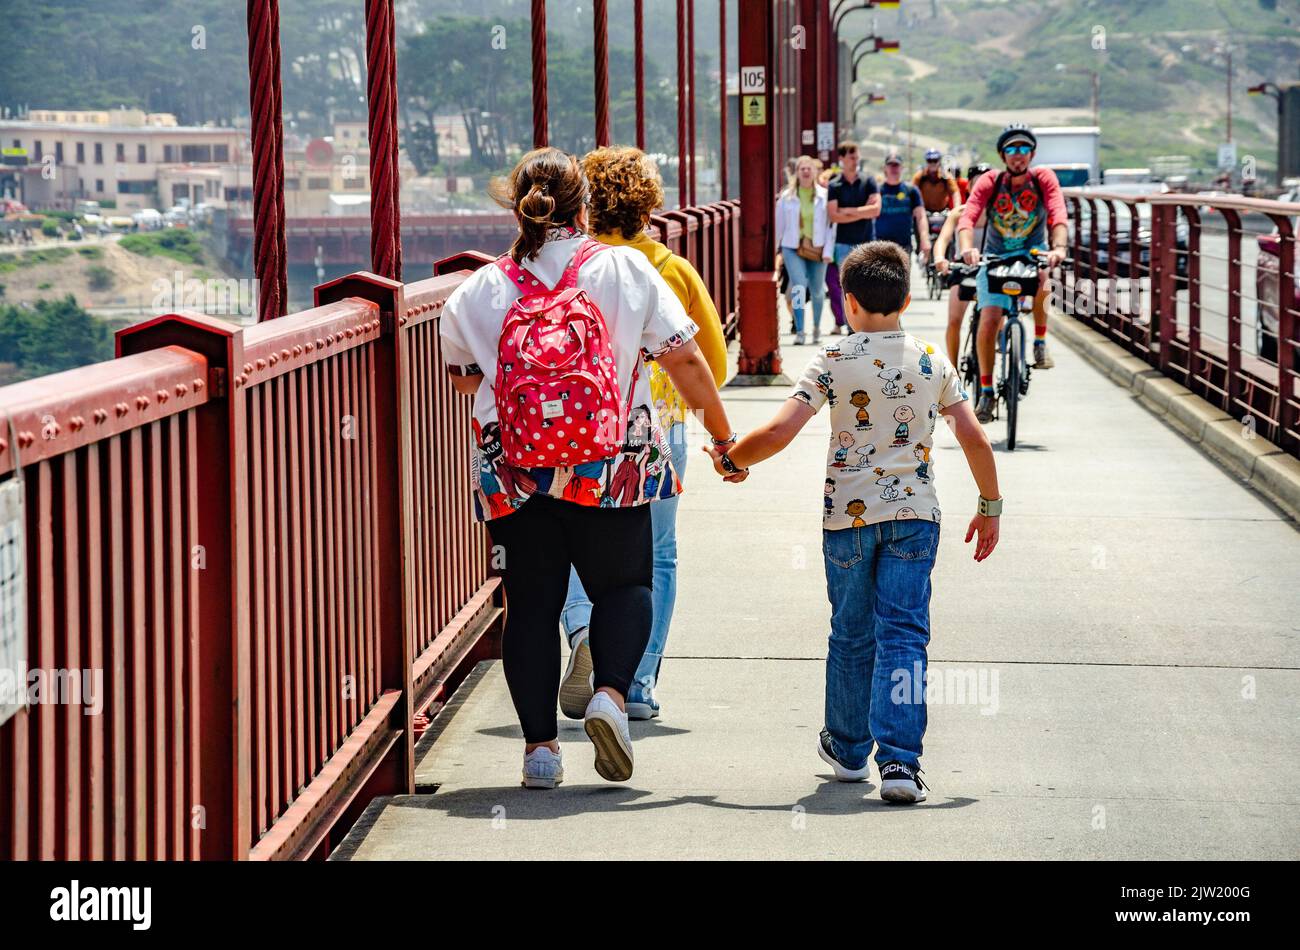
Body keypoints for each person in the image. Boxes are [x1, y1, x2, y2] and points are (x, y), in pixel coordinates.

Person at [438, 147, 736, 789]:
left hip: (517, 470)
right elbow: (685, 361)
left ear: (515, 204)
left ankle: (540, 754)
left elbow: (467, 384)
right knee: (626, 585)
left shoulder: (475, 292)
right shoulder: (626, 269)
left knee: (535, 606)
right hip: (612, 461)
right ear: (584, 205)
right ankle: (608, 695)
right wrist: (721, 435)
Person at [702, 241, 1002, 804]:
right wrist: (990, 505)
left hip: (848, 521)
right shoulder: (933, 360)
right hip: (914, 518)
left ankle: (846, 748)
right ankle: (900, 765)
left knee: (851, 631)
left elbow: (779, 432)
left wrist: (730, 459)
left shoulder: (833, 360)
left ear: (847, 301)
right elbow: (972, 435)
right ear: (908, 298)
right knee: (905, 634)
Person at [557, 146, 729, 722]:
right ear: (649, 205)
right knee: (657, 556)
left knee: (578, 549)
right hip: (658, 429)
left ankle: (584, 634)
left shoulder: (568, 265)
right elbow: (715, 366)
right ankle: (636, 682)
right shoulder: (672, 270)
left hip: (577, 427)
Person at [957, 123, 1068, 422]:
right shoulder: (990, 182)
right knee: (990, 318)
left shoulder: (1043, 178)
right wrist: (968, 248)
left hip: (1033, 252)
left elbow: (1057, 212)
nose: (1018, 155)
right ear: (1002, 155)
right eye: (1011, 149)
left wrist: (1059, 247)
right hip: (995, 256)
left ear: (1031, 153)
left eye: (1023, 149)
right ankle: (987, 391)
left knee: (1045, 278)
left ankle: (1040, 342)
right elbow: (968, 216)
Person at [933, 162, 992, 366]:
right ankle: (953, 368)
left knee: (998, 318)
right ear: (969, 187)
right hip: (963, 269)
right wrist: (940, 259)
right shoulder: (959, 213)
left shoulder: (999, 213)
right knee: (954, 320)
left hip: (992, 268)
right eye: (977, 184)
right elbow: (942, 240)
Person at [776, 154, 835, 345]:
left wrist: (828, 251)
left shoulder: (825, 196)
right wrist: (776, 253)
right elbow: (779, 226)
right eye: (802, 168)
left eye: (810, 168)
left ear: (816, 172)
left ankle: (816, 327)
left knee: (818, 291)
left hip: (817, 248)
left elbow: (831, 226)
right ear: (797, 173)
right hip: (792, 247)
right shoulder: (786, 197)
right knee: (799, 287)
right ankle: (800, 330)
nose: (806, 171)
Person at [826, 140, 882, 337]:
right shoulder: (835, 185)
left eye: (857, 157)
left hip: (866, 242)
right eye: (851, 157)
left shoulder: (869, 181)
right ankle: (851, 328)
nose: (855, 161)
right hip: (842, 243)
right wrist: (862, 211)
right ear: (841, 159)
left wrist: (848, 211)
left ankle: (866, 325)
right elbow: (833, 215)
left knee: (867, 284)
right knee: (847, 287)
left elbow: (875, 210)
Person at [874, 153, 930, 264]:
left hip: (903, 246)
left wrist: (925, 239)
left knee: (902, 280)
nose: (894, 168)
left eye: (896, 165)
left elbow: (920, 216)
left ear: (902, 168)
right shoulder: (877, 190)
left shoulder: (911, 190)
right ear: (885, 168)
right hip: (879, 246)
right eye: (891, 165)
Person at [912, 148, 959, 214]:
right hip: (924, 212)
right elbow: (911, 194)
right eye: (930, 161)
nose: (932, 163)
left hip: (943, 211)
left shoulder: (946, 176)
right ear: (926, 161)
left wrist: (956, 210)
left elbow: (955, 192)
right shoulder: (919, 176)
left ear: (939, 161)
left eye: (935, 160)